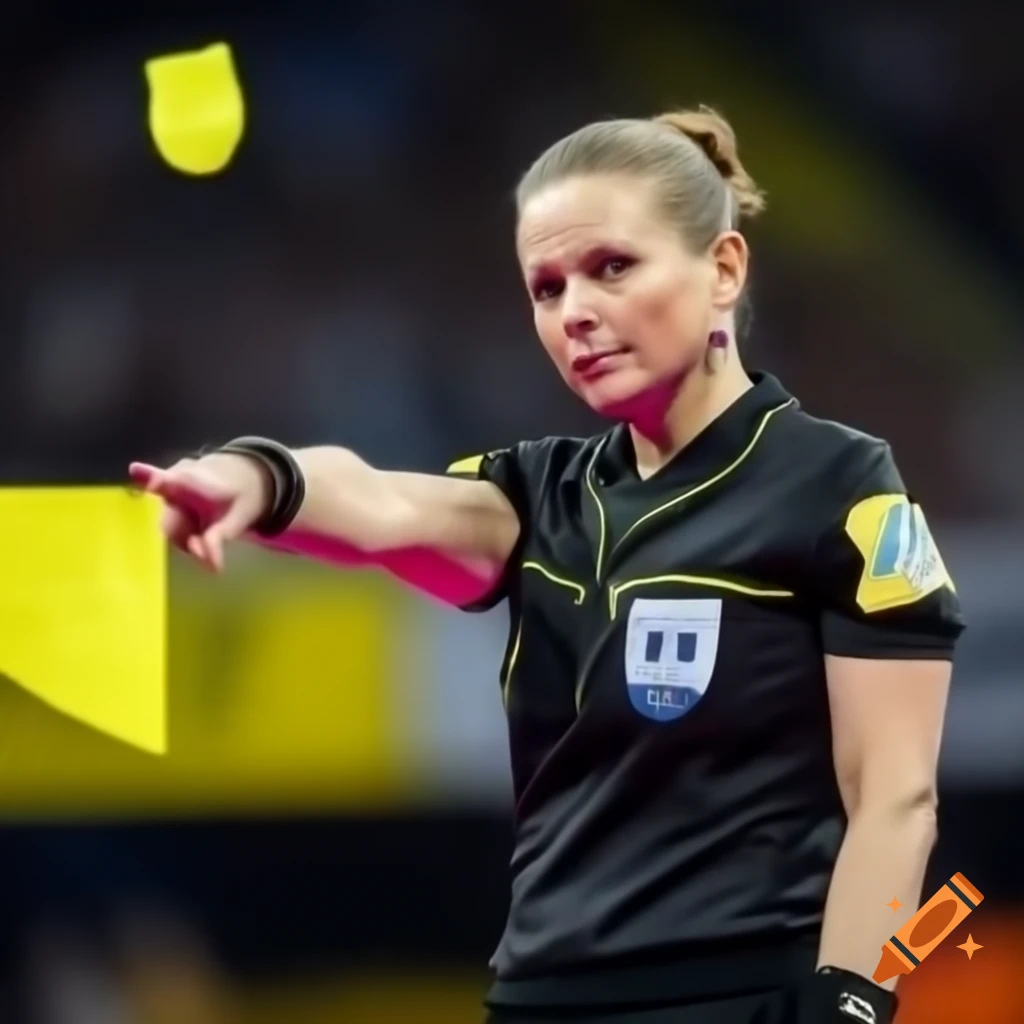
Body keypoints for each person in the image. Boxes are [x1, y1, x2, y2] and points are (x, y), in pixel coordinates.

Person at [130, 106, 965, 1024]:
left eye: (613, 268)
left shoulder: (838, 482)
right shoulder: (539, 495)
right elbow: (379, 500)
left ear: (723, 268)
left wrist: (849, 999)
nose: (577, 313)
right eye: (546, 286)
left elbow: (896, 795)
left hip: (745, 997)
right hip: (541, 1001)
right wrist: (251, 477)